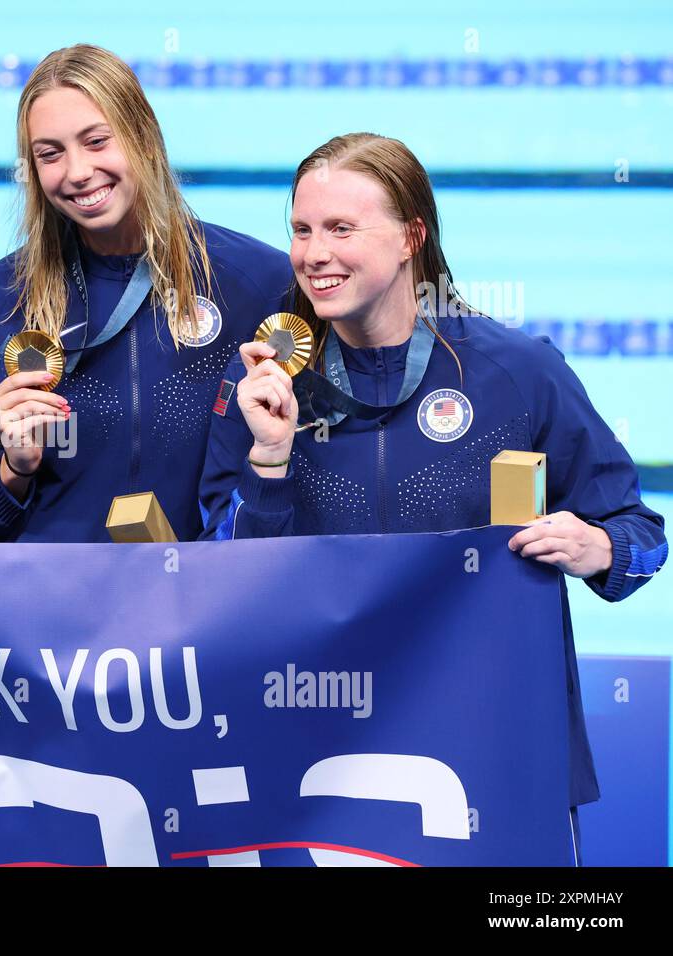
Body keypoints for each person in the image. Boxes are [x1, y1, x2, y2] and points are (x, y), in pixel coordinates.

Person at [200, 132, 667, 854]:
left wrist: (597, 546)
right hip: (321, 767)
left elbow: (641, 535)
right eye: (301, 230)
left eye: (341, 229)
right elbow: (223, 583)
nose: (313, 253)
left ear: (410, 236)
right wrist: (269, 460)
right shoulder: (264, 388)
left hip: (495, 754)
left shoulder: (516, 372)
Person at [0, 44, 290, 542]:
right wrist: (12, 469)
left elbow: (301, 488)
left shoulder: (257, 284)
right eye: (49, 154)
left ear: (143, 135)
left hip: (205, 606)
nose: (77, 172)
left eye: (97, 142)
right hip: (47, 610)